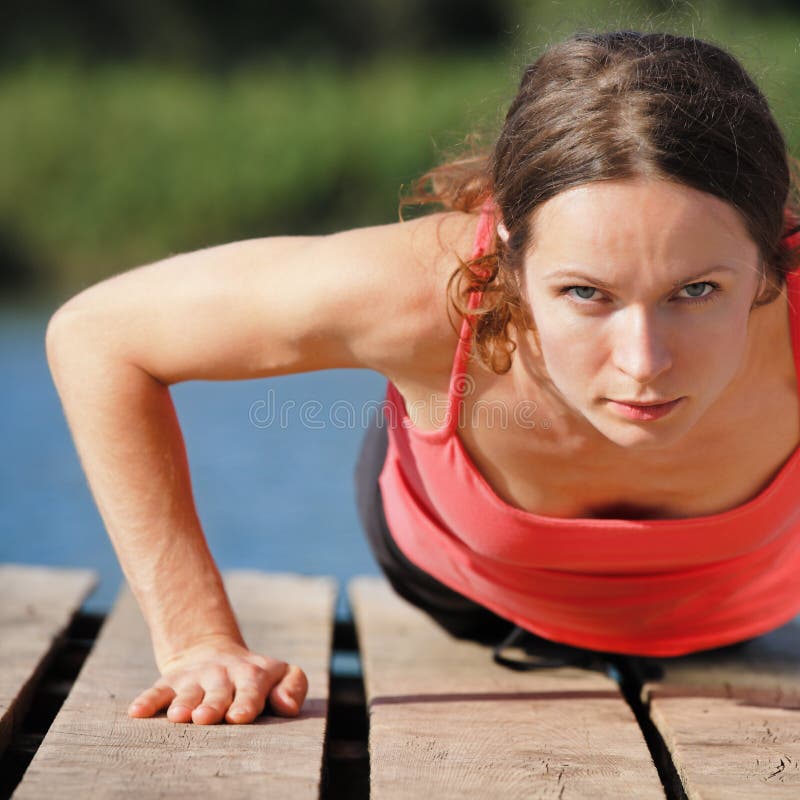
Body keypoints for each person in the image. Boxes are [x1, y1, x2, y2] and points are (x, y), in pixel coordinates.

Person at [46, 29, 800, 726]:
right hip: (470, 597)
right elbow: (99, 336)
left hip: (750, 618)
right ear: (510, 248)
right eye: (586, 293)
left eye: (696, 291)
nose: (643, 362)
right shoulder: (418, 292)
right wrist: (194, 638)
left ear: (770, 254)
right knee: (436, 378)